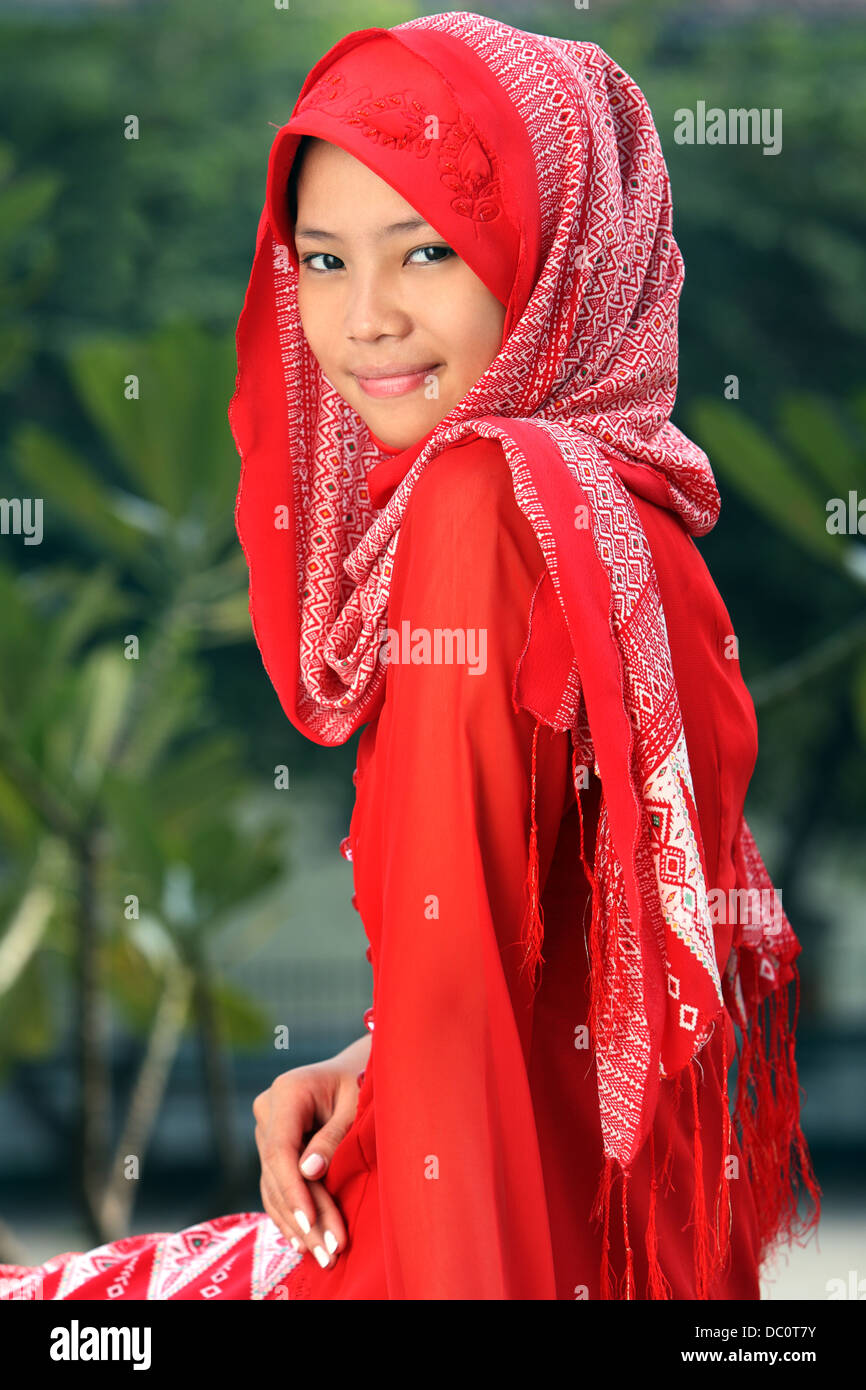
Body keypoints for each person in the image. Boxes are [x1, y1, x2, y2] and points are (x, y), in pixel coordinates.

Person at [0, 11, 820, 1302]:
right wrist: (379, 1053)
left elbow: (477, 1019)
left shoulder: (481, 500)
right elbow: (524, 956)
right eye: (321, 261)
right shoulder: (630, 513)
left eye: (427, 250)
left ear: (561, 252)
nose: (365, 318)